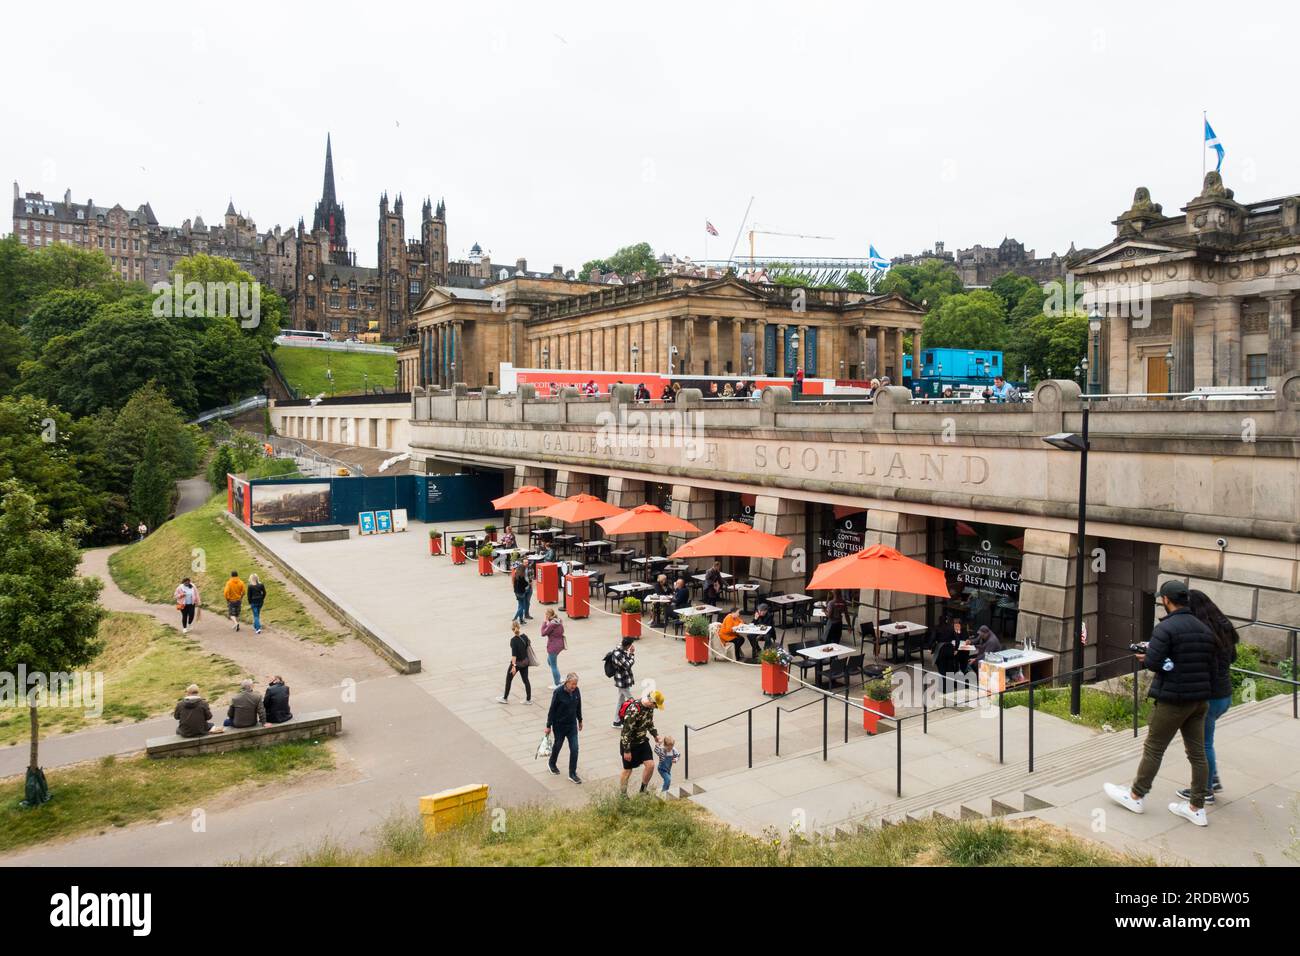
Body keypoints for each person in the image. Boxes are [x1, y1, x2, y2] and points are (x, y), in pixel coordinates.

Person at [1104, 580, 1218, 828]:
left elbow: (1154, 663)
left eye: (1161, 600)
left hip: (1173, 700)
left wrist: (1147, 656)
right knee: (1198, 754)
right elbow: (1210, 665)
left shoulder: (1165, 629)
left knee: (1154, 748)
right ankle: (1196, 808)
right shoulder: (1204, 629)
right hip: (1200, 701)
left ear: (1166, 600)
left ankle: (1135, 796)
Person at [1179, 590, 1237, 804]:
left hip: (1210, 697)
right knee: (1206, 742)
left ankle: (1206, 790)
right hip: (1224, 694)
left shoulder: (1203, 633)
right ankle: (1211, 780)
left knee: (1203, 744)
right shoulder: (1223, 627)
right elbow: (1232, 657)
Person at [619, 690, 665, 796]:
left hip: (642, 741)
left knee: (650, 765)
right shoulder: (633, 710)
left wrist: (655, 735)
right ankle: (623, 795)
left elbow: (649, 723)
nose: (656, 708)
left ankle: (643, 790)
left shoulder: (649, 708)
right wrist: (627, 751)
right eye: (656, 706)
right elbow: (626, 732)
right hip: (630, 744)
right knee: (627, 770)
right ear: (651, 702)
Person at [545, 671, 583, 784]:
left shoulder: (576, 691)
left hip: (571, 725)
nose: (574, 686)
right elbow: (552, 709)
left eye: (576, 684)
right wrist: (548, 725)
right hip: (559, 725)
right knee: (558, 745)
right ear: (567, 682)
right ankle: (552, 763)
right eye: (572, 684)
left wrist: (580, 720)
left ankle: (572, 773)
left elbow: (578, 705)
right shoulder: (558, 692)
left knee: (575, 749)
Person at [497, 621, 533, 704]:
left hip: (517, 663)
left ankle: (505, 698)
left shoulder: (513, 640)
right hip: (525, 662)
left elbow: (514, 656)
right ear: (519, 627)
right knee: (526, 680)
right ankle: (528, 700)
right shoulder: (524, 636)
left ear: (512, 629)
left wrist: (513, 666)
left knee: (508, 679)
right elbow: (528, 644)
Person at [608, 637, 636, 726]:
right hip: (622, 681)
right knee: (632, 700)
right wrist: (632, 654)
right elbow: (627, 665)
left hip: (623, 679)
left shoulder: (621, 648)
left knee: (620, 700)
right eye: (630, 645)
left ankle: (617, 721)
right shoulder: (618, 654)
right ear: (627, 645)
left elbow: (626, 660)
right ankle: (637, 718)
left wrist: (629, 654)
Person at [541, 608, 566, 688]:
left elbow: (543, 633)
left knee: (553, 666)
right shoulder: (558, 621)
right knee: (549, 661)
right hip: (560, 644)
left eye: (546, 615)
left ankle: (557, 684)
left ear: (548, 615)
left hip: (553, 647)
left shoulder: (551, 624)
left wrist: (544, 623)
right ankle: (559, 678)